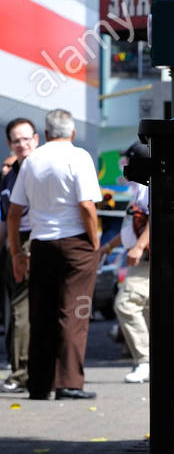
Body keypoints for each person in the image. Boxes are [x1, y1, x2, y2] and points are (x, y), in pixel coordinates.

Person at [6, 109, 101, 400]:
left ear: (45, 134)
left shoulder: (32, 160)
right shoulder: (79, 157)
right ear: (72, 133)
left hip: (41, 243)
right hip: (75, 243)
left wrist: (16, 254)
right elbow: (86, 206)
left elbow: (13, 213)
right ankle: (69, 382)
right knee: (75, 312)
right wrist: (94, 241)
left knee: (41, 314)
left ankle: (39, 384)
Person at [98, 142, 151, 383]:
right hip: (142, 258)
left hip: (146, 258)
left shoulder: (150, 187)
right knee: (147, 310)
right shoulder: (140, 188)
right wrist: (109, 247)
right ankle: (153, 361)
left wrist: (139, 246)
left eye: (126, 161)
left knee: (126, 304)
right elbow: (133, 226)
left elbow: (156, 219)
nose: (122, 166)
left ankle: (145, 360)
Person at [1, 118, 39, 393]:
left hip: (38, 239)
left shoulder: (41, 168)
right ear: (9, 144)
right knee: (19, 308)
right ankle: (21, 370)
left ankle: (24, 371)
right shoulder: (10, 175)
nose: (22, 144)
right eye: (17, 140)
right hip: (17, 243)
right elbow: (6, 219)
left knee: (24, 307)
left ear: (37, 139)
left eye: (27, 139)